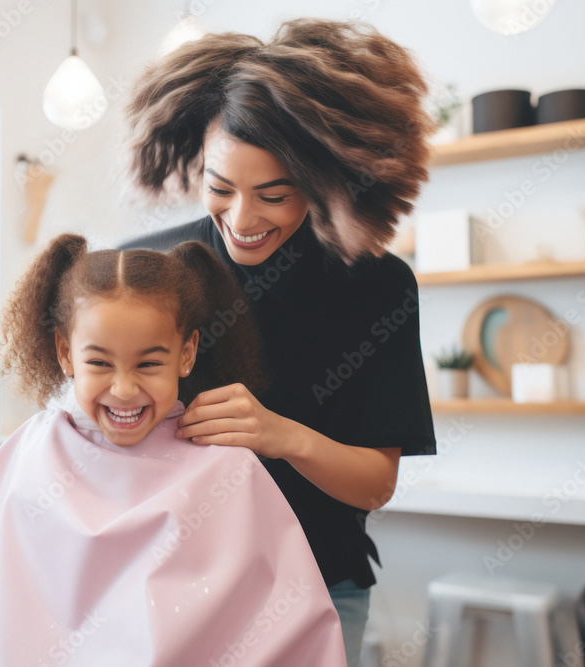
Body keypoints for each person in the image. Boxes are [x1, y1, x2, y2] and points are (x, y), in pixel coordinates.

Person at [0, 234, 346, 666]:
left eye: (149, 363)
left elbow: (276, 621)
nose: (125, 389)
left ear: (188, 353)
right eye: (100, 363)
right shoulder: (37, 450)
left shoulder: (223, 463)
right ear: (65, 353)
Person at [117, 17, 438, 666]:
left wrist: (280, 434)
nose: (241, 219)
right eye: (220, 188)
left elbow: (376, 482)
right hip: (162, 582)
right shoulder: (144, 271)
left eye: (273, 194)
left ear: (322, 183)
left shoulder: (376, 286)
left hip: (318, 583)